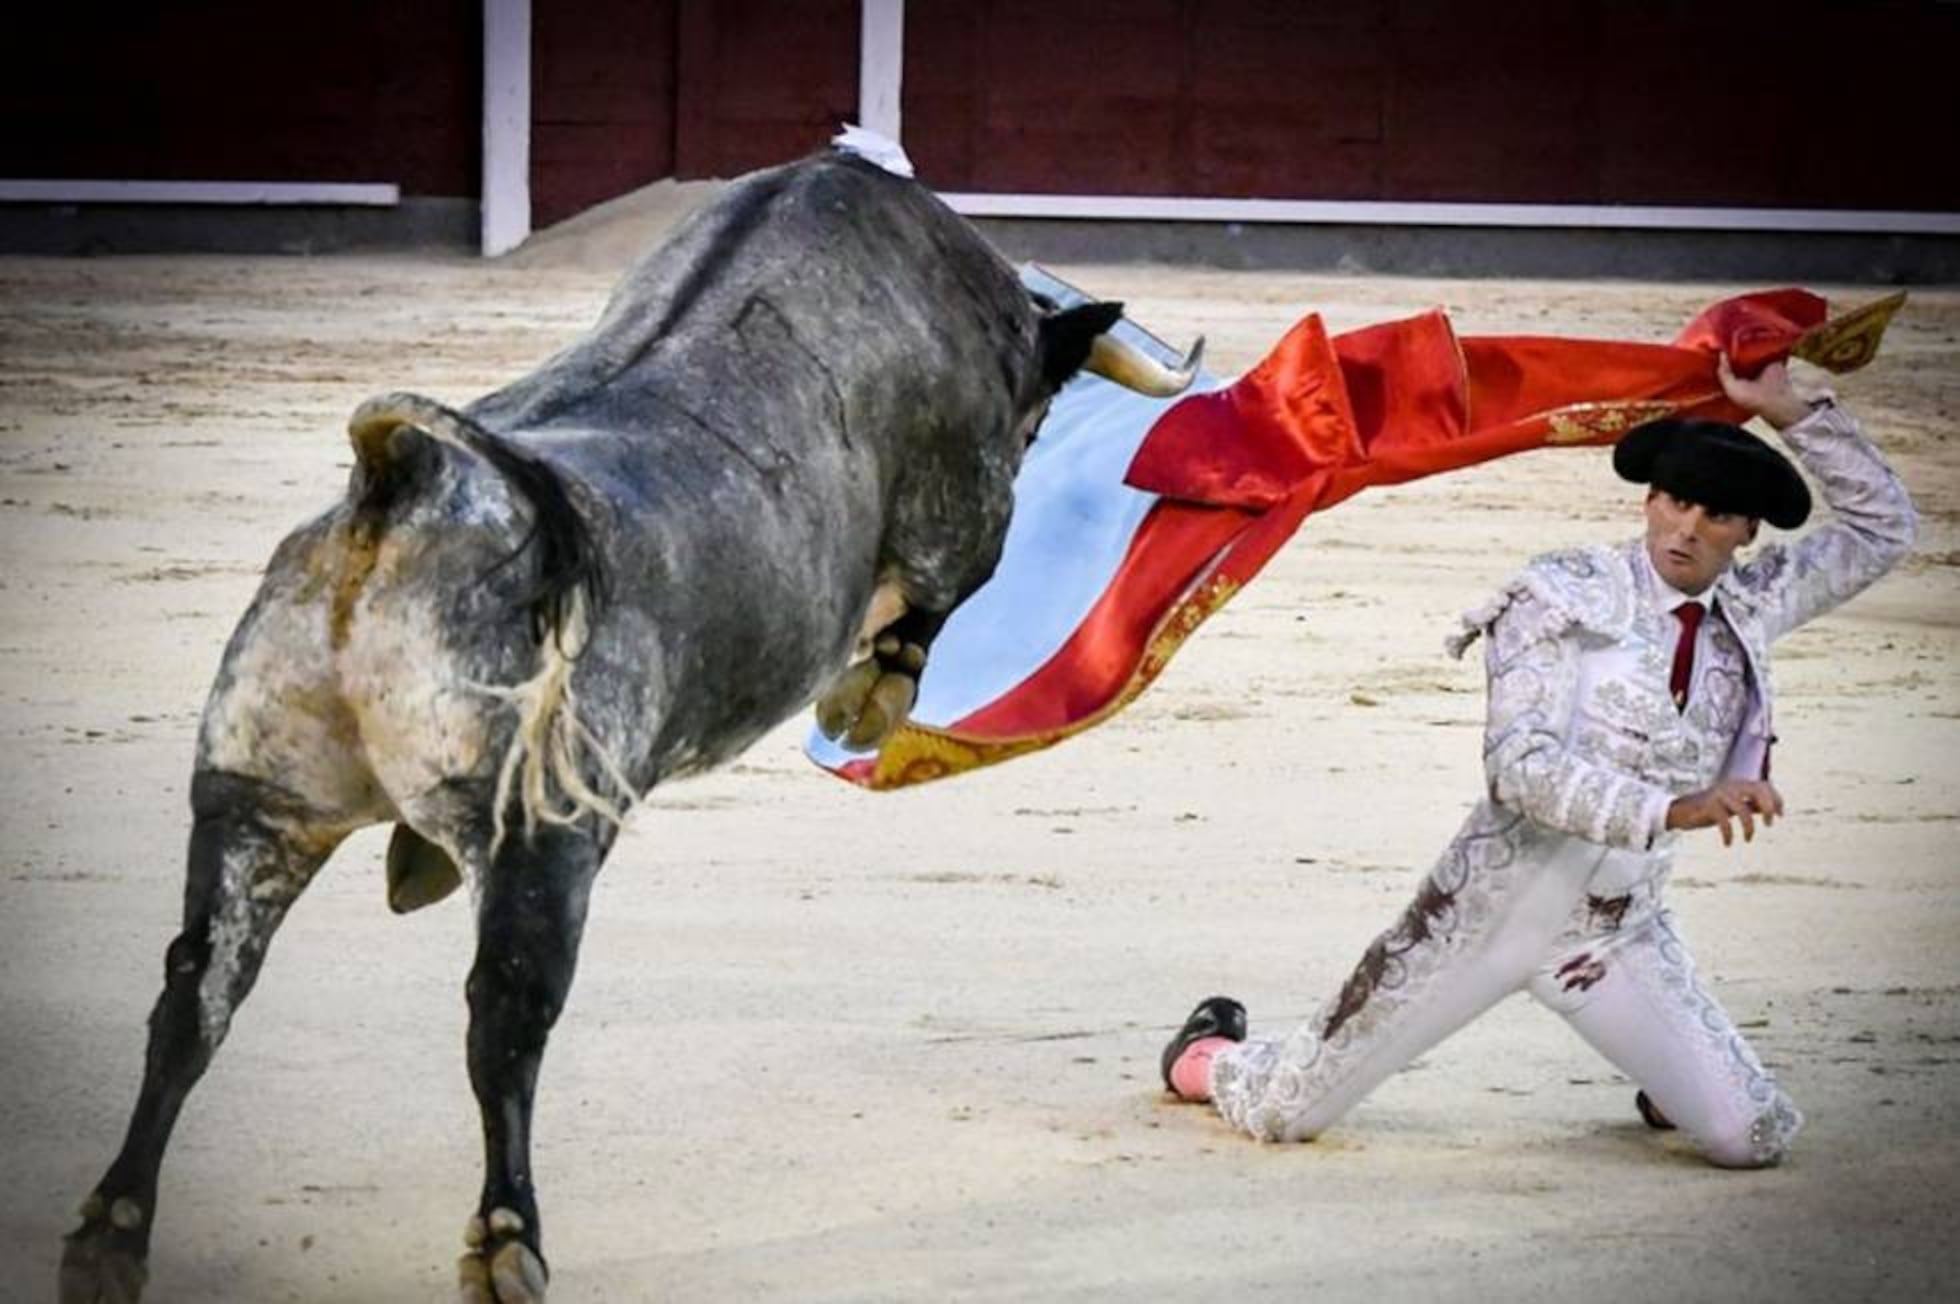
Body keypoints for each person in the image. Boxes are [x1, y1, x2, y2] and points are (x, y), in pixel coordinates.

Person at [1160, 354, 1917, 1168]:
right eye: (1676, 501)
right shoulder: (1560, 594)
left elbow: (1882, 530)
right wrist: (1673, 810)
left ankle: (1668, 1074)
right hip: (1478, 920)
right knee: (1285, 1112)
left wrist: (1793, 412)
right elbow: (1519, 768)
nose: (1689, 530)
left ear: (1748, 532)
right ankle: (1206, 1056)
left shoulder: (1753, 601)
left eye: (1718, 515)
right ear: (1650, 500)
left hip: (1615, 933)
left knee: (1751, 1138)